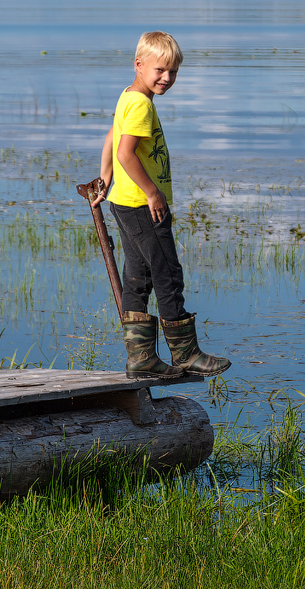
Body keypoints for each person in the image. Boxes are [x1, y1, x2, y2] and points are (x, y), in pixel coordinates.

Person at [93, 31, 231, 379]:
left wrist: (104, 179)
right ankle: (185, 355)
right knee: (168, 274)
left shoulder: (129, 95)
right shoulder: (140, 103)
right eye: (159, 70)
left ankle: (141, 358)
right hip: (142, 205)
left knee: (138, 278)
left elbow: (112, 137)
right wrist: (153, 193)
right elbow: (125, 151)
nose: (166, 78)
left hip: (123, 203)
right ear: (138, 65)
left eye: (173, 72)